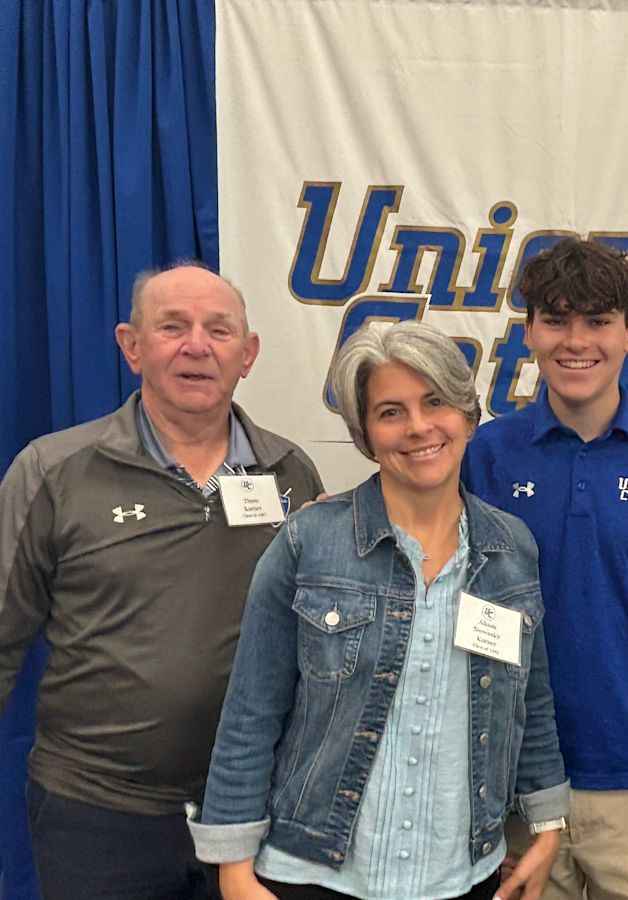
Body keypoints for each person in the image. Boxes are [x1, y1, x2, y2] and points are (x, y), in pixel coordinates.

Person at [188, 320, 568, 900]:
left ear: (467, 415)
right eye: (391, 412)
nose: (418, 428)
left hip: (462, 877)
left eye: (434, 402)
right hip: (314, 872)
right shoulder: (308, 542)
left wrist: (546, 828)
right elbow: (250, 711)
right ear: (365, 435)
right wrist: (234, 867)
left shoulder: (511, 550)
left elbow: (531, 705)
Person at [0, 263, 324, 899]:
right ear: (131, 346)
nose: (196, 346)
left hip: (255, 810)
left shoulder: (290, 474)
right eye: (172, 327)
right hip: (97, 812)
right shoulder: (54, 470)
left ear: (248, 354)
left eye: (219, 330)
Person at [461, 237, 628, 900]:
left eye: (599, 321)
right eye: (556, 319)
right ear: (529, 333)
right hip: (513, 783)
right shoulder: (484, 454)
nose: (577, 342)